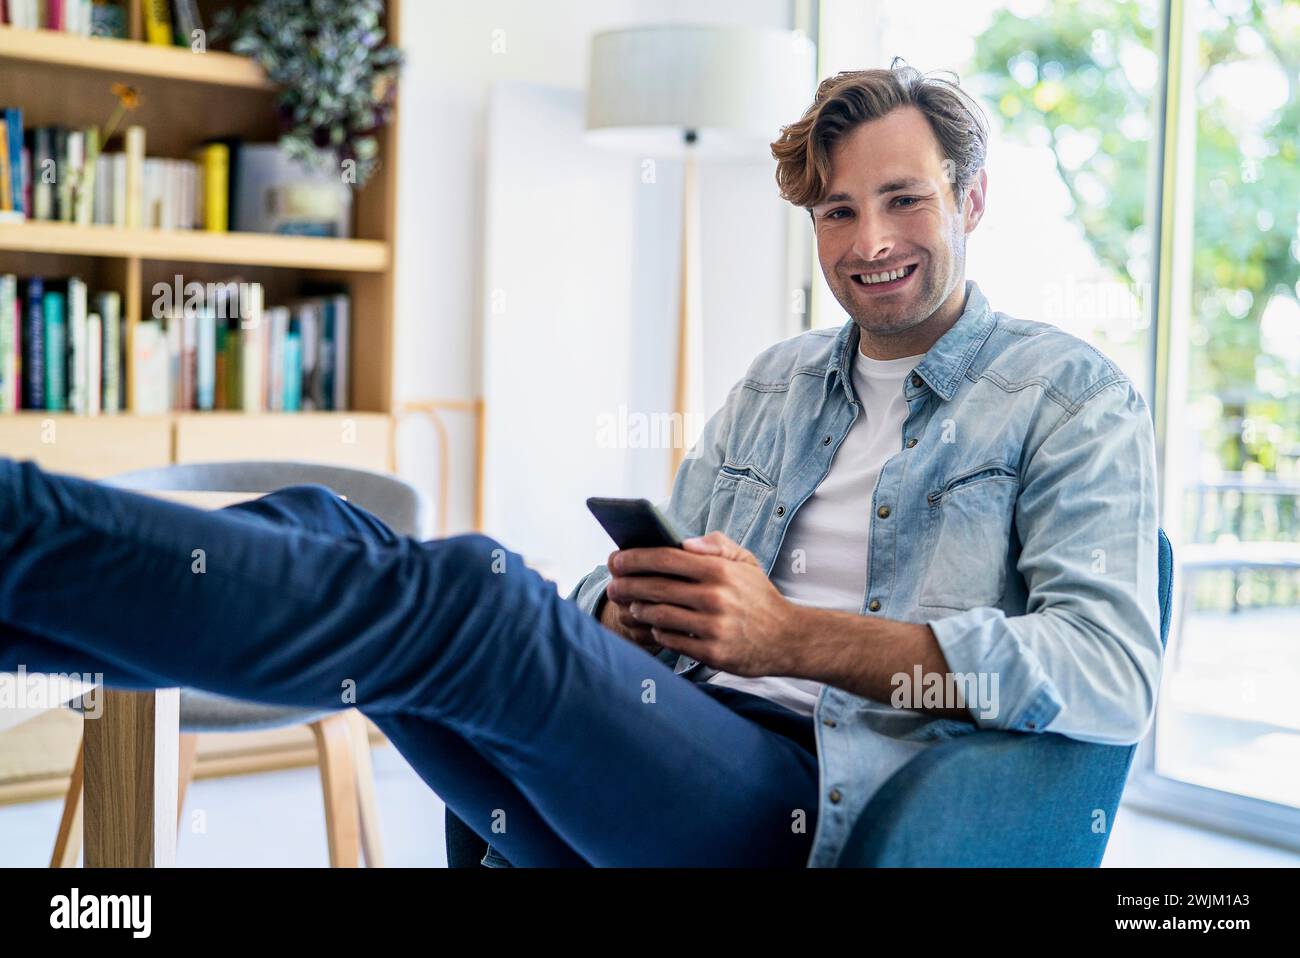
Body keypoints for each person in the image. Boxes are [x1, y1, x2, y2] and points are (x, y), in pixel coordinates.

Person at [0, 64, 1160, 868]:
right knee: (321, 519)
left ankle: (19, 531)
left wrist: (785, 638)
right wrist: (628, 609)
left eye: (904, 200)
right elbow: (665, 590)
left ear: (971, 197)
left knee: (475, 604)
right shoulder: (778, 380)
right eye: (836, 212)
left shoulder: (1068, 396)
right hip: (673, 734)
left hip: (814, 804)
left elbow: (1110, 669)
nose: (867, 244)